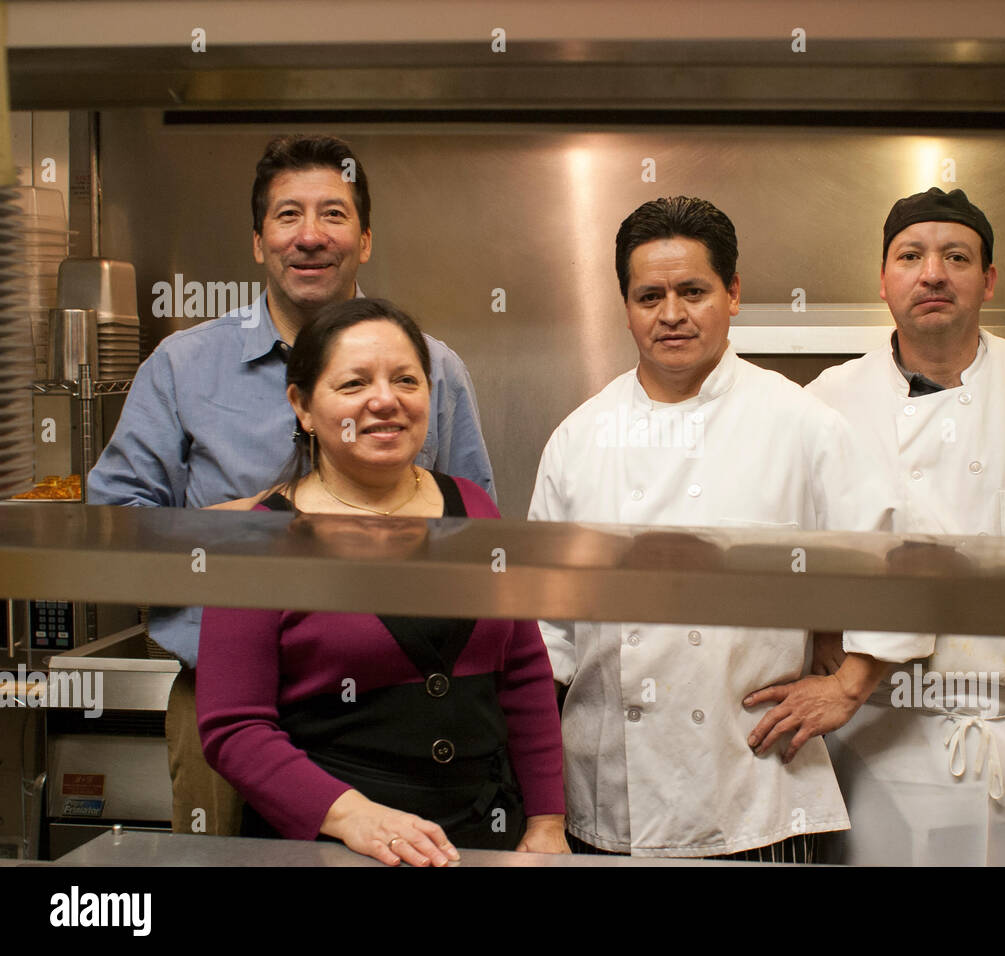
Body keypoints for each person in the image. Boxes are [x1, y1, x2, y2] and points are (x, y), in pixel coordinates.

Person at [87, 134, 495, 837]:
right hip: (227, 706)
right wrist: (256, 524)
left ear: (365, 239)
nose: (310, 236)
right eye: (287, 216)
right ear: (257, 242)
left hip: (403, 708)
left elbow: (476, 549)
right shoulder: (183, 367)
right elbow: (112, 532)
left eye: (334, 215)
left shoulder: (435, 368)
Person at [527, 196, 898, 860]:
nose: (672, 314)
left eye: (693, 291)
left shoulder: (800, 424)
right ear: (626, 306)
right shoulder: (578, 439)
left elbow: (893, 567)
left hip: (755, 790)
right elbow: (543, 634)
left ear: (733, 294)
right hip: (609, 797)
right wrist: (540, 808)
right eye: (649, 296)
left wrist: (849, 684)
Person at [797, 187, 1005, 865]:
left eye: (957, 256)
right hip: (878, 741)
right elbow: (792, 549)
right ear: (884, 279)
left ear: (989, 279)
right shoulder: (829, 401)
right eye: (911, 255)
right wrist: (824, 634)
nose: (933, 273)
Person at [197, 298, 565, 865]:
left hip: (484, 836)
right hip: (335, 846)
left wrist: (546, 820)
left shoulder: (474, 508)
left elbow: (523, 673)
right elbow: (234, 727)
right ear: (302, 405)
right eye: (353, 384)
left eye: (405, 380)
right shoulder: (258, 541)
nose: (385, 401)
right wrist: (350, 815)